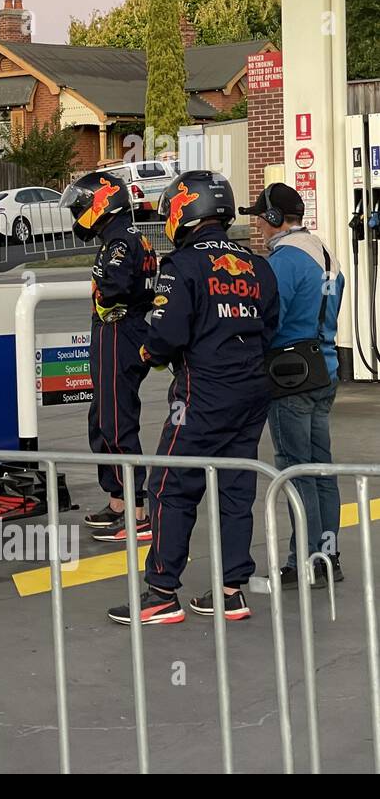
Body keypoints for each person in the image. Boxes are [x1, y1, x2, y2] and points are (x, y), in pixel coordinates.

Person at [108, 170, 279, 626]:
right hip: (253, 389)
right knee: (236, 488)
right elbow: (270, 327)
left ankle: (162, 592)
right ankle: (231, 592)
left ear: (187, 209)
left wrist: (147, 352)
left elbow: (166, 335)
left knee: (170, 484)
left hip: (204, 391)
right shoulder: (257, 264)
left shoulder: (181, 265)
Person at [242, 183, 344, 589]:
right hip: (326, 369)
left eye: (260, 218)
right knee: (322, 469)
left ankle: (303, 560)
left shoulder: (283, 261)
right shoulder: (326, 254)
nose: (259, 226)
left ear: (274, 218)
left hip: (289, 375)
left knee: (295, 469)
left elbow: (269, 318)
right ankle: (327, 556)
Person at [59, 171, 158, 543]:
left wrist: (102, 292)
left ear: (101, 205)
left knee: (116, 421)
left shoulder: (119, 242)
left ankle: (136, 511)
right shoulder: (129, 236)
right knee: (102, 417)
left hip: (119, 331)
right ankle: (119, 501)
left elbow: (112, 291)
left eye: (80, 206)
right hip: (121, 331)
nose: (77, 215)